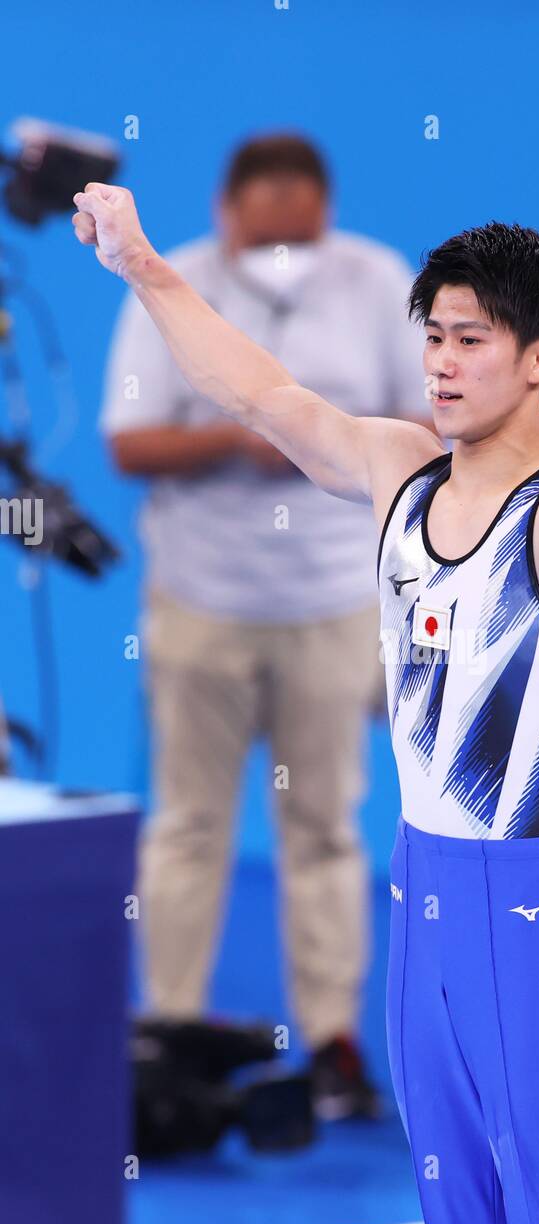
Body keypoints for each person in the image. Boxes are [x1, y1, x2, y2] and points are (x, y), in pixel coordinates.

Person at [72, 179, 539, 1224]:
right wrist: (144, 265)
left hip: (528, 904)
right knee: (455, 1219)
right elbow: (257, 392)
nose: (441, 363)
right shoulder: (398, 469)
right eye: (433, 338)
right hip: (421, 893)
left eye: (469, 340)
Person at [97, 134, 432, 1120]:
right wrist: (242, 440)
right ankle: (170, 1032)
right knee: (190, 823)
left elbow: (426, 429)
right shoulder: (174, 285)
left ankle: (331, 1044)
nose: (284, 254)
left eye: (302, 235)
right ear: (228, 211)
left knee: (324, 827)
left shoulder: (377, 280)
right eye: (265, 237)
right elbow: (127, 441)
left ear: (323, 215)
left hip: (330, 605)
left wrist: (331, 447)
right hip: (202, 604)